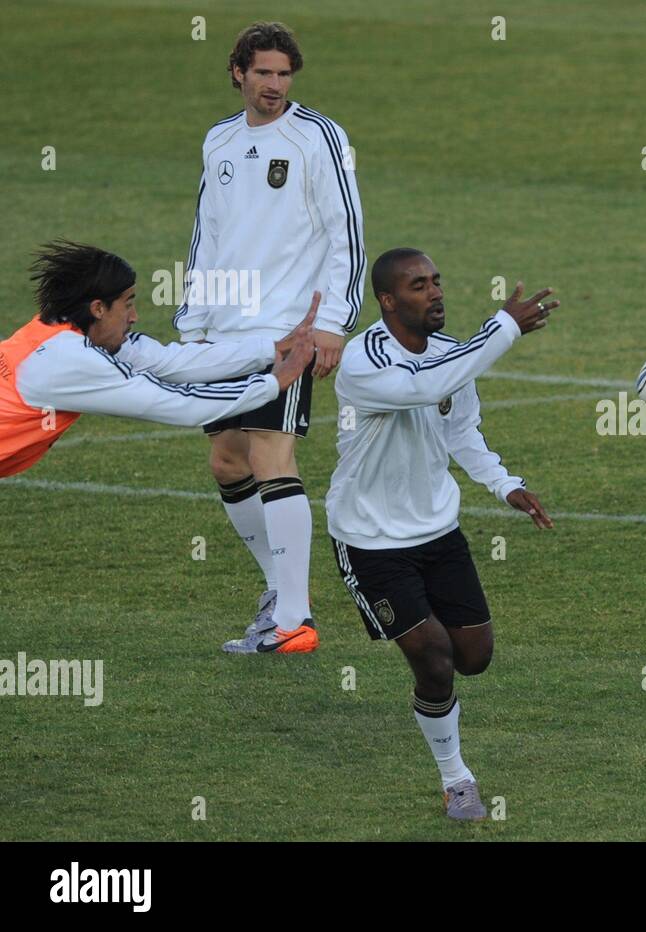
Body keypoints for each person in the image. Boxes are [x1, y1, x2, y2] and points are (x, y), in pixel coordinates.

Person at [326, 248, 556, 820]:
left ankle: (440, 716)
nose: (434, 293)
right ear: (387, 300)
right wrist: (503, 328)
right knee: (433, 658)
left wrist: (504, 485)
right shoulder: (365, 361)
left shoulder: (453, 357)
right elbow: (421, 388)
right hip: (370, 538)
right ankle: (458, 780)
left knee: (472, 657)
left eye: (435, 281)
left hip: (437, 532)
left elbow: (462, 431)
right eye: (417, 285)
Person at [173, 21, 366, 655]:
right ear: (238, 73)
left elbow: (347, 233)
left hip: (288, 331)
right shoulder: (219, 140)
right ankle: (283, 598)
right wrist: (193, 326)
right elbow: (208, 235)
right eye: (263, 73)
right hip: (224, 331)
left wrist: (335, 323)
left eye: (284, 74)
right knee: (226, 459)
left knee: (269, 457)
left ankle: (292, 623)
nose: (275, 85)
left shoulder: (318, 137)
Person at [0, 241, 315, 479]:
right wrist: (274, 382)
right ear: (98, 308)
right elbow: (178, 402)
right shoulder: (68, 360)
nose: (134, 317)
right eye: (128, 304)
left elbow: (170, 362)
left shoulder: (52, 330)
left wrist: (270, 349)